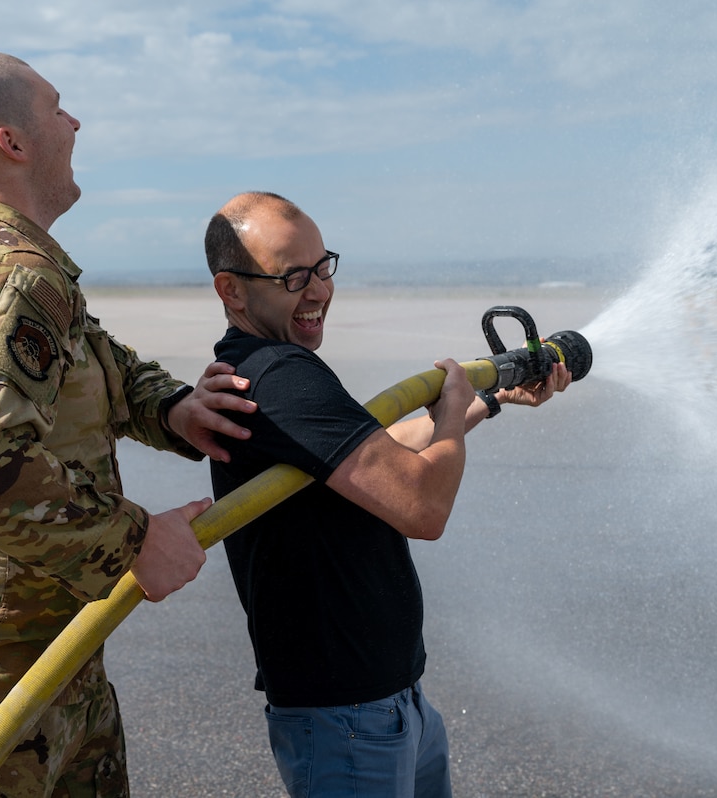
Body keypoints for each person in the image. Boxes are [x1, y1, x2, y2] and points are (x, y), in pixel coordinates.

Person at [0, 52, 256, 798]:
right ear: (12, 142)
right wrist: (138, 539)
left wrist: (175, 408)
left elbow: (93, 361)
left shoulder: (20, 266)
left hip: (46, 651)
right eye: (58, 107)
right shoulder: (9, 274)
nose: (75, 121)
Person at [203, 191, 571, 797]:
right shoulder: (277, 377)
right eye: (294, 275)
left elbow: (376, 455)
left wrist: (489, 397)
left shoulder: (280, 366)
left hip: (389, 704)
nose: (319, 289)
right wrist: (451, 417)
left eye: (324, 266)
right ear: (232, 290)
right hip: (346, 719)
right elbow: (421, 506)